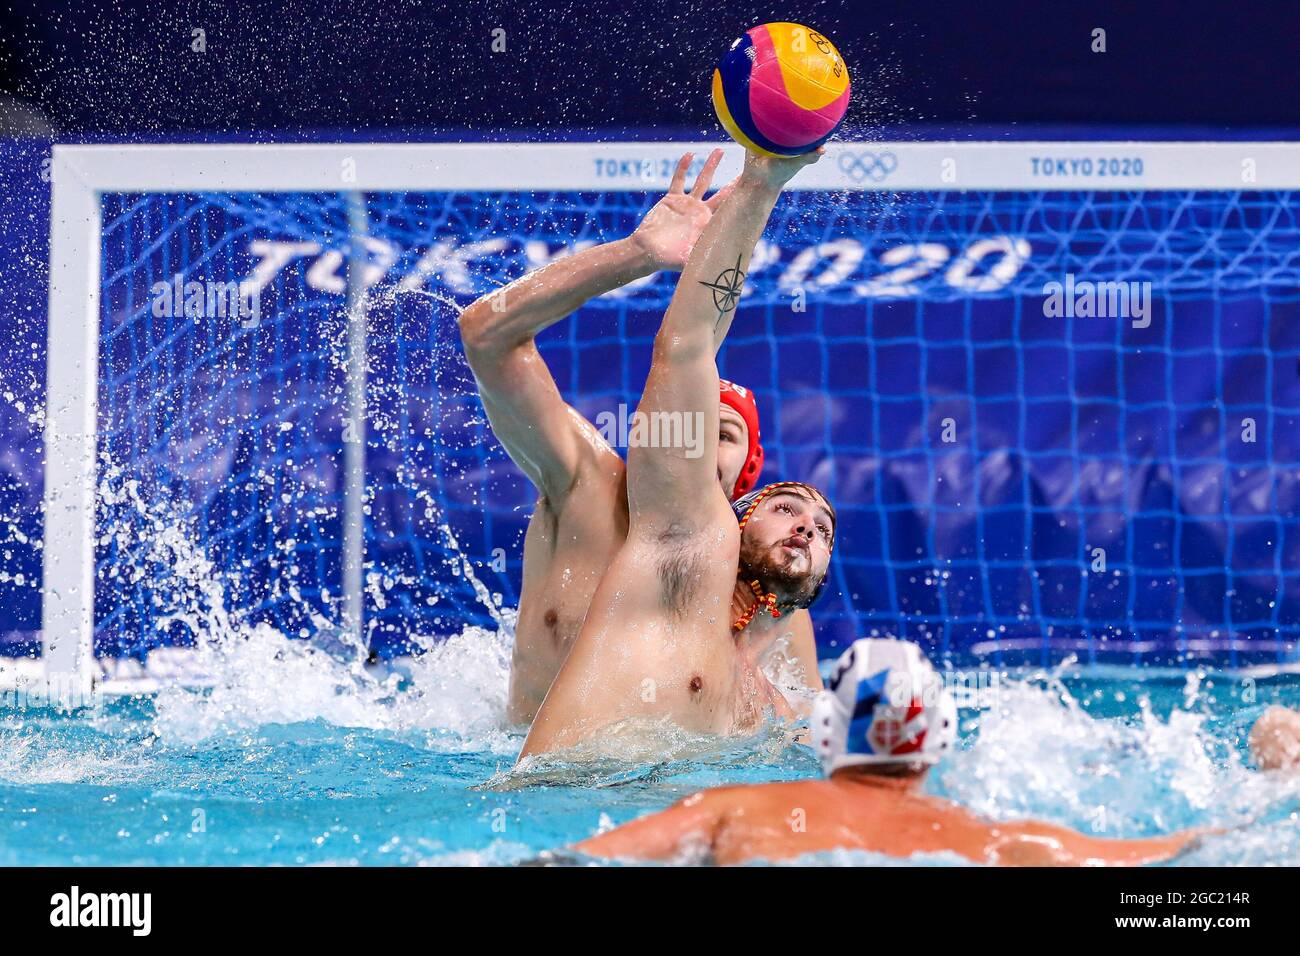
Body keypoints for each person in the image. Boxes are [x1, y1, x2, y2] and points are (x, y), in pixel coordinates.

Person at [458, 149, 821, 726]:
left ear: (748, 472)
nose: (697, 439)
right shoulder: (581, 480)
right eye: (689, 422)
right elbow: (486, 336)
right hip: (517, 769)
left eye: (723, 433)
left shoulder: (772, 597)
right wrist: (637, 254)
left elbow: (803, 739)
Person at [571, 638, 1213, 865]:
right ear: (940, 736)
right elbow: (1176, 861)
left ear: (826, 731)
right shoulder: (1006, 844)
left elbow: (570, 861)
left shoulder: (730, 808)